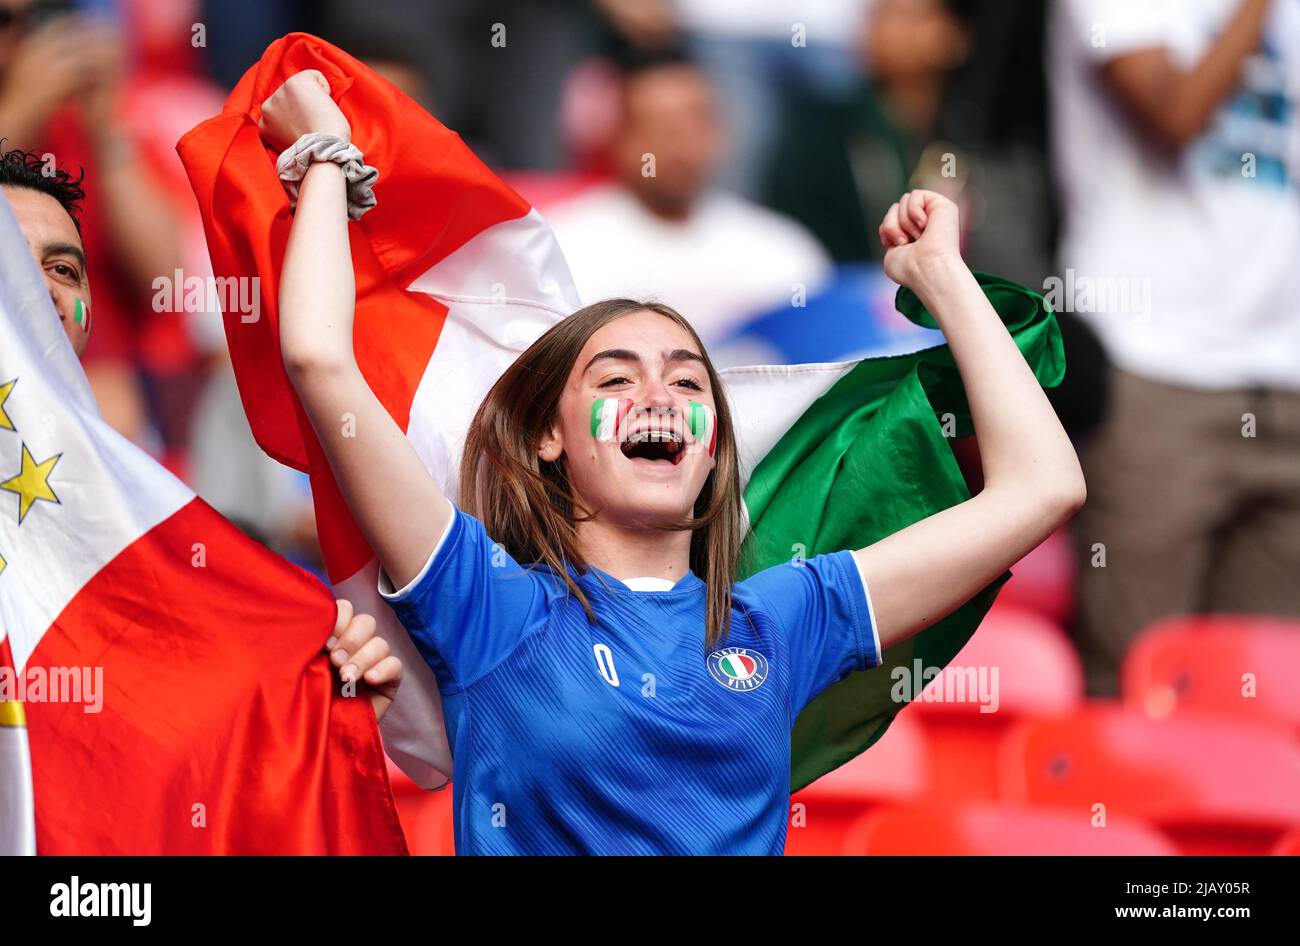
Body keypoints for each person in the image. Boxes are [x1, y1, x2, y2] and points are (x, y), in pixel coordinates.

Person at [262, 68, 1085, 855]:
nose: (658, 393)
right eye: (616, 377)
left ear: (712, 443)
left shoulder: (786, 617)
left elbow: (1044, 488)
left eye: (687, 379)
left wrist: (942, 277)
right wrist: (326, 157)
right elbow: (320, 360)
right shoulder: (488, 606)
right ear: (550, 438)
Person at [0, 145, 400, 716]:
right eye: (10, 260)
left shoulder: (144, 525)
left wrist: (310, 705)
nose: (43, 289)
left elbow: (168, 732)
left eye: (64, 270)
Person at [1048, 0, 1300, 695]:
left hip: (1284, 376)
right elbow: (1174, 115)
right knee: (1134, 681)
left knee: (1267, 701)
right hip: (1153, 370)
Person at [546, 49, 832, 348]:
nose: (679, 147)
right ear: (618, 138)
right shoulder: (565, 247)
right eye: (658, 128)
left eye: (694, 125)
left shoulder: (783, 251)